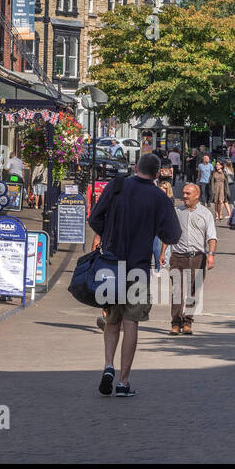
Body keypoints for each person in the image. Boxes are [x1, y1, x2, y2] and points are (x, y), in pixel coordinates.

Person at [87, 153, 181, 397]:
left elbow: (94, 217)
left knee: (112, 319)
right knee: (131, 322)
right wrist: (153, 228)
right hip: (137, 267)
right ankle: (123, 381)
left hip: (110, 263)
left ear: (136, 167)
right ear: (158, 173)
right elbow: (173, 236)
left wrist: (108, 235)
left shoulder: (116, 186)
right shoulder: (160, 198)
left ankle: (108, 364)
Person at [160, 183, 217, 335]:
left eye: (187, 194)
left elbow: (211, 237)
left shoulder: (206, 214)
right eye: (183, 193)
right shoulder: (176, 212)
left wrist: (211, 255)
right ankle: (175, 323)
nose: (184, 196)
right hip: (178, 257)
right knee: (177, 290)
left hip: (198, 257)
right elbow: (169, 233)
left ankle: (188, 322)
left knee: (194, 290)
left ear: (196, 195)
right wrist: (163, 253)